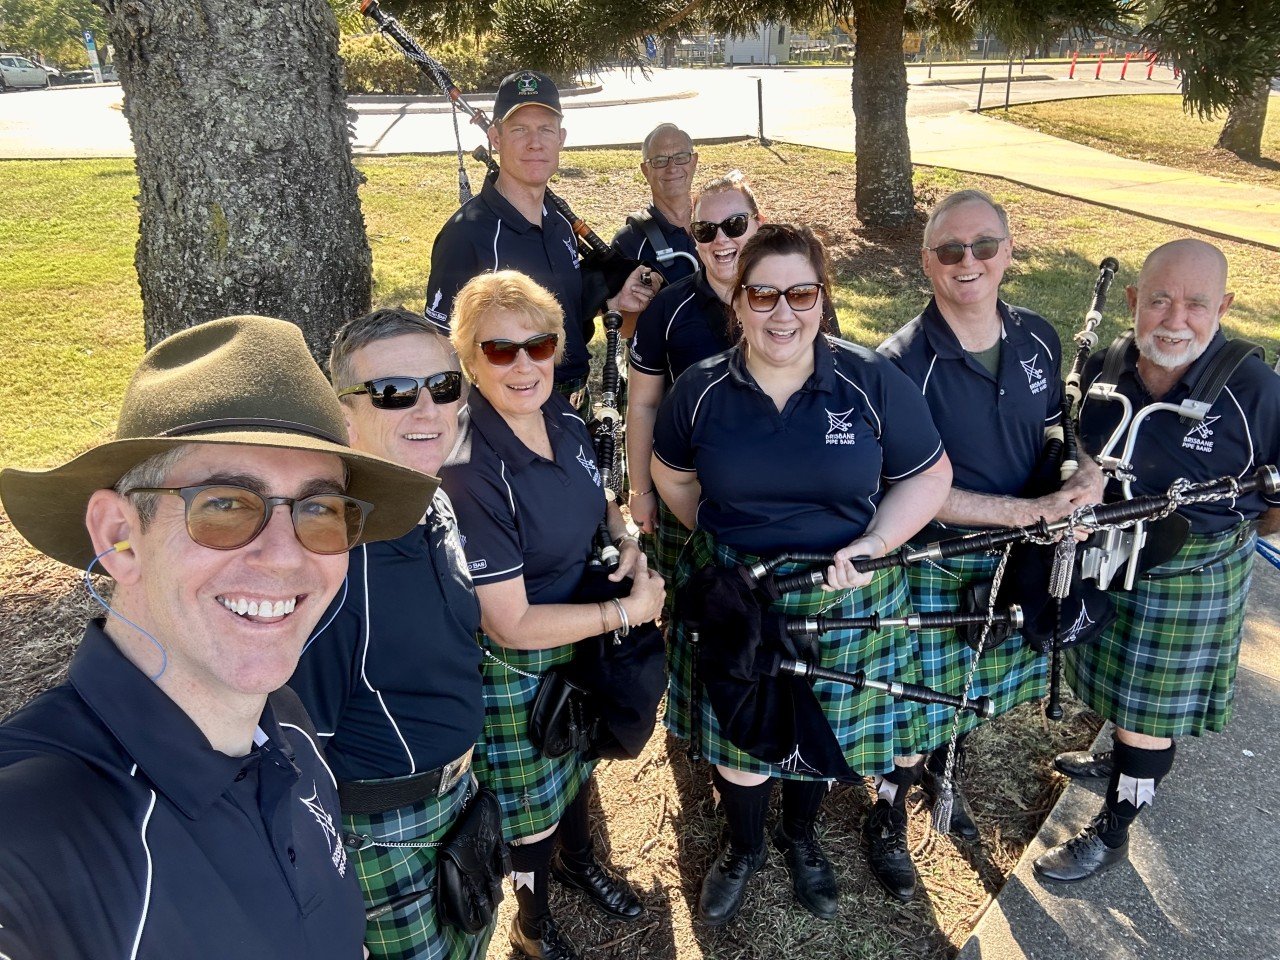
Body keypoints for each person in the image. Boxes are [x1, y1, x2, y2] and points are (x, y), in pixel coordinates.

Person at [0, 315, 436, 960]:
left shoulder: (285, 727)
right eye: (226, 504)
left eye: (319, 509)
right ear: (119, 534)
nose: (286, 559)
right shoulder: (34, 831)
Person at [652, 224, 953, 922]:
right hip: (739, 593)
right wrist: (725, 536)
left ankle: (800, 838)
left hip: (839, 591)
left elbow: (929, 473)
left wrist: (877, 541)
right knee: (740, 735)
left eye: (800, 293)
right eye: (763, 294)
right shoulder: (700, 389)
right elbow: (672, 473)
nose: (782, 312)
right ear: (738, 301)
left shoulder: (870, 378)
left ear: (822, 298)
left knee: (819, 725)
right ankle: (746, 843)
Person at [1035, 238, 1280, 882]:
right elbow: (1083, 443)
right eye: (1160, 300)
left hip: (1191, 572)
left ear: (1223, 306)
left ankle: (1114, 830)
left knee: (1149, 713)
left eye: (1196, 304)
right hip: (1113, 551)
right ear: (1133, 300)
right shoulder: (1110, 364)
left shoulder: (1255, 390)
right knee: (1119, 691)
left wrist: (1230, 534)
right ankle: (1118, 760)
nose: (1175, 320)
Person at [439, 271, 665, 960]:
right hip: (519, 661)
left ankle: (577, 859)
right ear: (471, 361)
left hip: (581, 630)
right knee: (530, 819)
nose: (523, 364)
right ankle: (532, 925)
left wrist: (624, 538)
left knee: (579, 764)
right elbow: (507, 623)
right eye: (499, 350)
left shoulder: (563, 417)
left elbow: (601, 499)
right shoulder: (470, 465)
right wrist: (627, 611)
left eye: (537, 345)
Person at [877, 189, 1104, 849]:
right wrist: (1027, 512)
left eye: (983, 245)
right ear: (928, 262)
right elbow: (908, 486)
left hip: (1019, 553)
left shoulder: (1038, 336)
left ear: (1008, 252)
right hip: (937, 558)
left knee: (970, 688)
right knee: (915, 697)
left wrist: (1085, 470)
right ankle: (889, 813)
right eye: (950, 249)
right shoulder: (899, 366)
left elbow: (1055, 428)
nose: (967, 260)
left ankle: (946, 773)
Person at [288, 308, 489, 959]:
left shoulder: (434, 499)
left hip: (461, 791)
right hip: (385, 830)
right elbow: (297, 750)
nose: (428, 411)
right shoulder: (330, 563)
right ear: (345, 416)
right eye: (395, 393)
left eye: (445, 386)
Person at [424, 70, 656, 405]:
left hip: (576, 404)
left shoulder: (560, 223)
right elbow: (440, 347)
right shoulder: (466, 234)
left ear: (561, 138)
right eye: (519, 130)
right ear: (495, 137)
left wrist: (611, 297)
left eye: (545, 129)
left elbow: (561, 313)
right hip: (511, 410)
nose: (535, 142)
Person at [627, 173, 762, 584]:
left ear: (759, 223)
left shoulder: (799, 297)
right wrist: (641, 491)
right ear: (693, 235)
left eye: (735, 226)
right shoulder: (666, 309)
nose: (722, 241)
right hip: (683, 486)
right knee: (681, 608)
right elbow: (643, 404)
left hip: (775, 484)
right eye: (706, 230)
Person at [611, 122, 699, 287]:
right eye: (659, 161)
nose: (672, 168)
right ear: (645, 170)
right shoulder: (629, 242)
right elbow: (618, 309)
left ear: (694, 161)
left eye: (680, 158)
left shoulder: (720, 225)